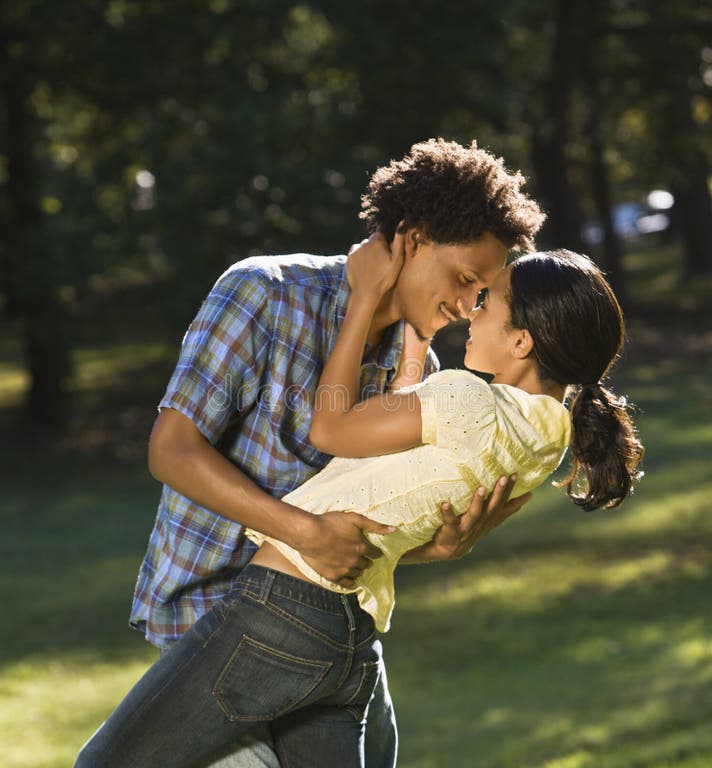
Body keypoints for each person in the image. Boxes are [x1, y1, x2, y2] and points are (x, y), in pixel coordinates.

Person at [74, 242, 644, 768]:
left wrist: (364, 297)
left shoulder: (467, 397)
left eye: (487, 300)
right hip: (349, 639)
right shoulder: (549, 437)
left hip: (276, 616)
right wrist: (417, 352)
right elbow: (409, 465)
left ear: (522, 342)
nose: (471, 308)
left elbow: (332, 427)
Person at [120, 138, 547, 768]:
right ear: (414, 236)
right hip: (213, 617)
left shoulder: (419, 367)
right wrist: (302, 531)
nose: (464, 308)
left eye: (479, 293)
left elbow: (368, 520)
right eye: (463, 280)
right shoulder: (264, 293)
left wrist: (436, 545)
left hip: (325, 636)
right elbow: (172, 449)